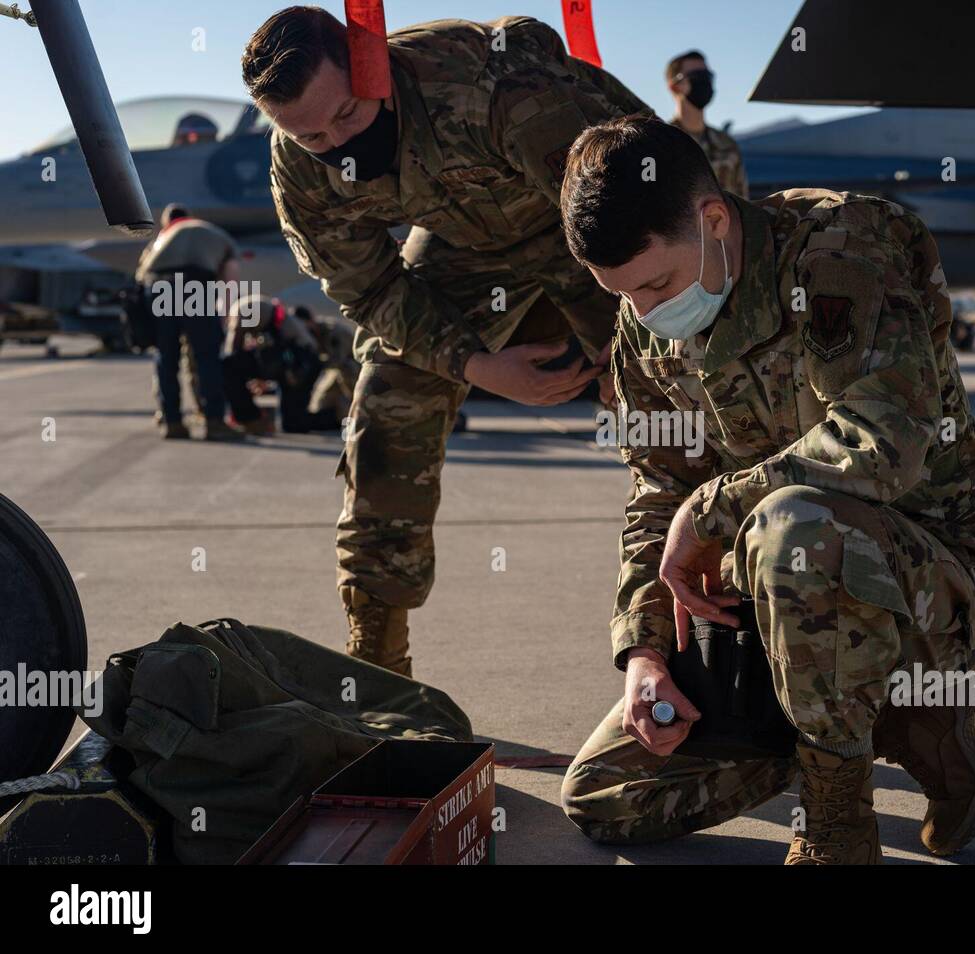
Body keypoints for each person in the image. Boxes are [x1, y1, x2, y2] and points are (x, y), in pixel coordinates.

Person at [557, 117, 975, 864]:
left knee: (789, 526)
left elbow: (884, 441)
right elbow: (655, 492)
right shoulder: (642, 323)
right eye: (624, 296)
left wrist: (712, 507)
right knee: (608, 797)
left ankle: (837, 825)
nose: (646, 317)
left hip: (938, 583)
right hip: (781, 615)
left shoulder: (840, 253)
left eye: (656, 286)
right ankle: (900, 720)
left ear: (713, 220)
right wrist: (644, 656)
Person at [242, 7, 648, 675]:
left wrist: (623, 346)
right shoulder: (301, 162)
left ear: (368, 62)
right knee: (388, 396)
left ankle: (705, 630)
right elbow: (371, 292)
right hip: (470, 245)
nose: (336, 143)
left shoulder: (490, 87)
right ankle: (377, 664)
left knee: (669, 407)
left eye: (346, 115)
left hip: (600, 226)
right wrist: (478, 365)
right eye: (310, 133)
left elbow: (636, 218)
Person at [135, 203, 244, 441]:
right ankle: (214, 422)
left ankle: (172, 422)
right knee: (207, 357)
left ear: (166, 223)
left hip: (159, 288)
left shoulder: (161, 239)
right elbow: (231, 275)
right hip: (196, 286)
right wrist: (226, 315)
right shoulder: (209, 231)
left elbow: (141, 276)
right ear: (190, 218)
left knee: (166, 358)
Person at [221, 294, 340, 435]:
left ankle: (250, 418)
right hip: (300, 362)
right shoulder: (259, 307)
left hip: (300, 362)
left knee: (227, 366)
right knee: (291, 423)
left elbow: (232, 351)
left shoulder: (239, 310)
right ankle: (335, 417)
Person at [665, 50, 747, 197]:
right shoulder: (661, 143)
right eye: (696, 76)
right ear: (675, 87)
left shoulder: (727, 144)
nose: (705, 82)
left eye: (708, 76)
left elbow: (744, 204)